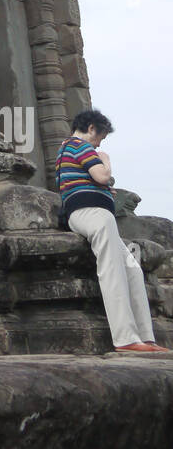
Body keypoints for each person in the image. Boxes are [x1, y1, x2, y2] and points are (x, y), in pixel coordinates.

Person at [56, 109, 170, 356]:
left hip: (89, 214)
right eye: (101, 137)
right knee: (113, 268)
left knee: (132, 269)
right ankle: (126, 338)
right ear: (91, 128)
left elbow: (87, 181)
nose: (99, 144)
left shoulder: (67, 149)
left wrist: (105, 189)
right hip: (93, 215)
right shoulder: (82, 147)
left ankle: (144, 338)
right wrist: (105, 161)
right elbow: (101, 174)